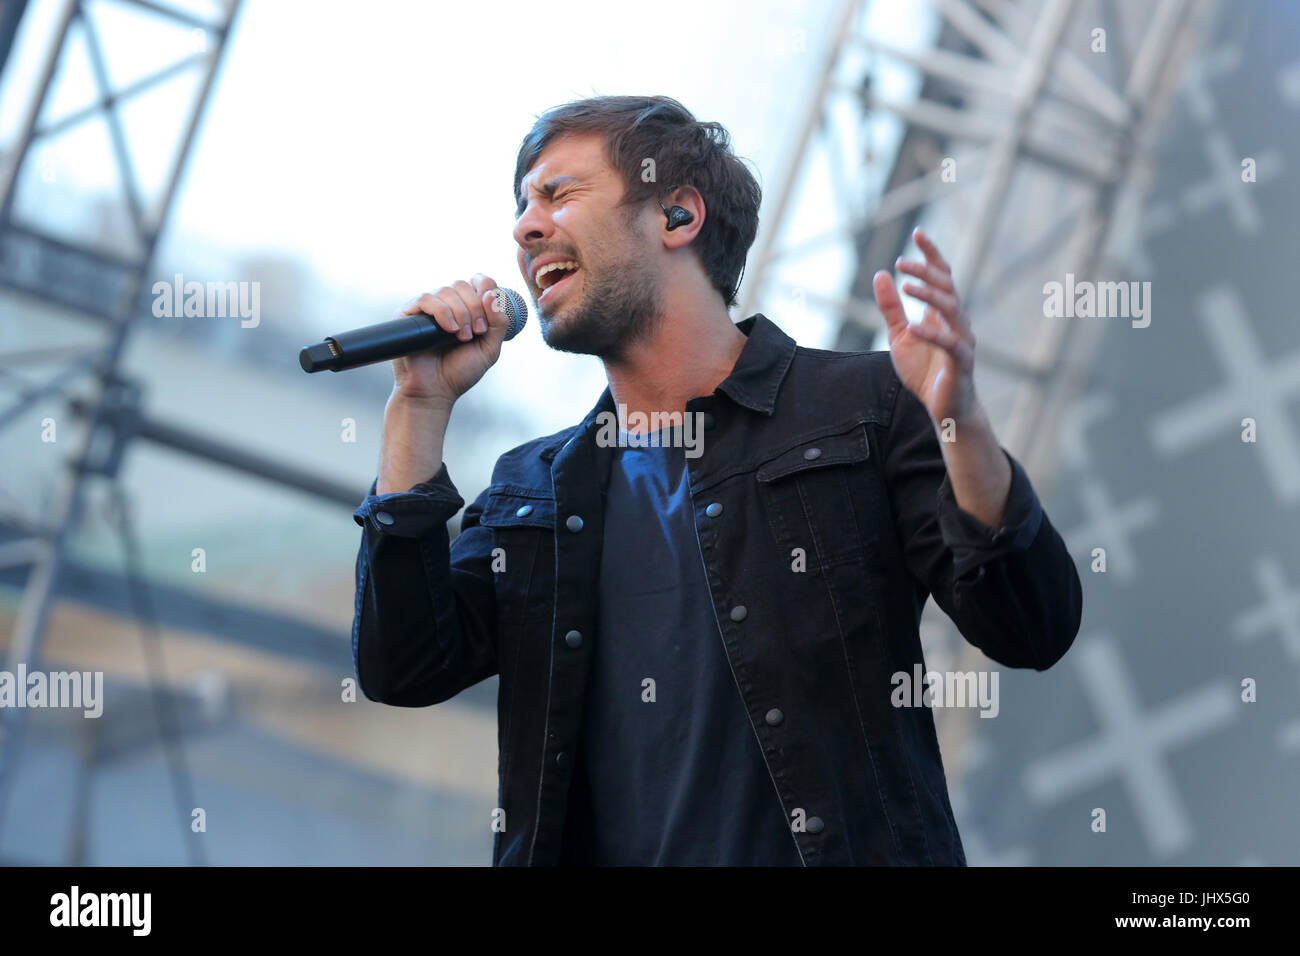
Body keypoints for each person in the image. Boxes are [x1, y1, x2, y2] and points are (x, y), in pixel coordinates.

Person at [350, 94, 1082, 866]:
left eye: (558, 194)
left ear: (678, 216)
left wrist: (959, 421)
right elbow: (404, 666)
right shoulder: (534, 486)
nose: (524, 228)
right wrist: (417, 409)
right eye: (522, 204)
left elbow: (1030, 626)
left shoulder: (860, 409)